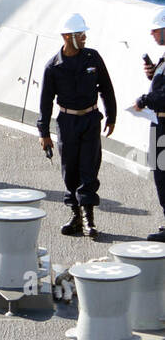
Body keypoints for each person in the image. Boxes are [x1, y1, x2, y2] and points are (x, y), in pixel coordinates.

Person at [38, 12, 116, 239]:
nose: (84, 38)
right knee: (69, 169)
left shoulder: (93, 58)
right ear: (66, 36)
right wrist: (43, 132)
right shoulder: (53, 67)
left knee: (89, 169)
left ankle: (88, 219)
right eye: (80, 34)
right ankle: (75, 216)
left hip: (90, 120)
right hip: (67, 122)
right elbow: (45, 101)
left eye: (83, 34)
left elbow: (106, 88)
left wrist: (111, 116)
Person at [131, 5, 165, 240]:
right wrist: (154, 75)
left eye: (155, 30)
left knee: (163, 173)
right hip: (159, 124)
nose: (152, 34)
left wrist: (145, 99)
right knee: (160, 171)